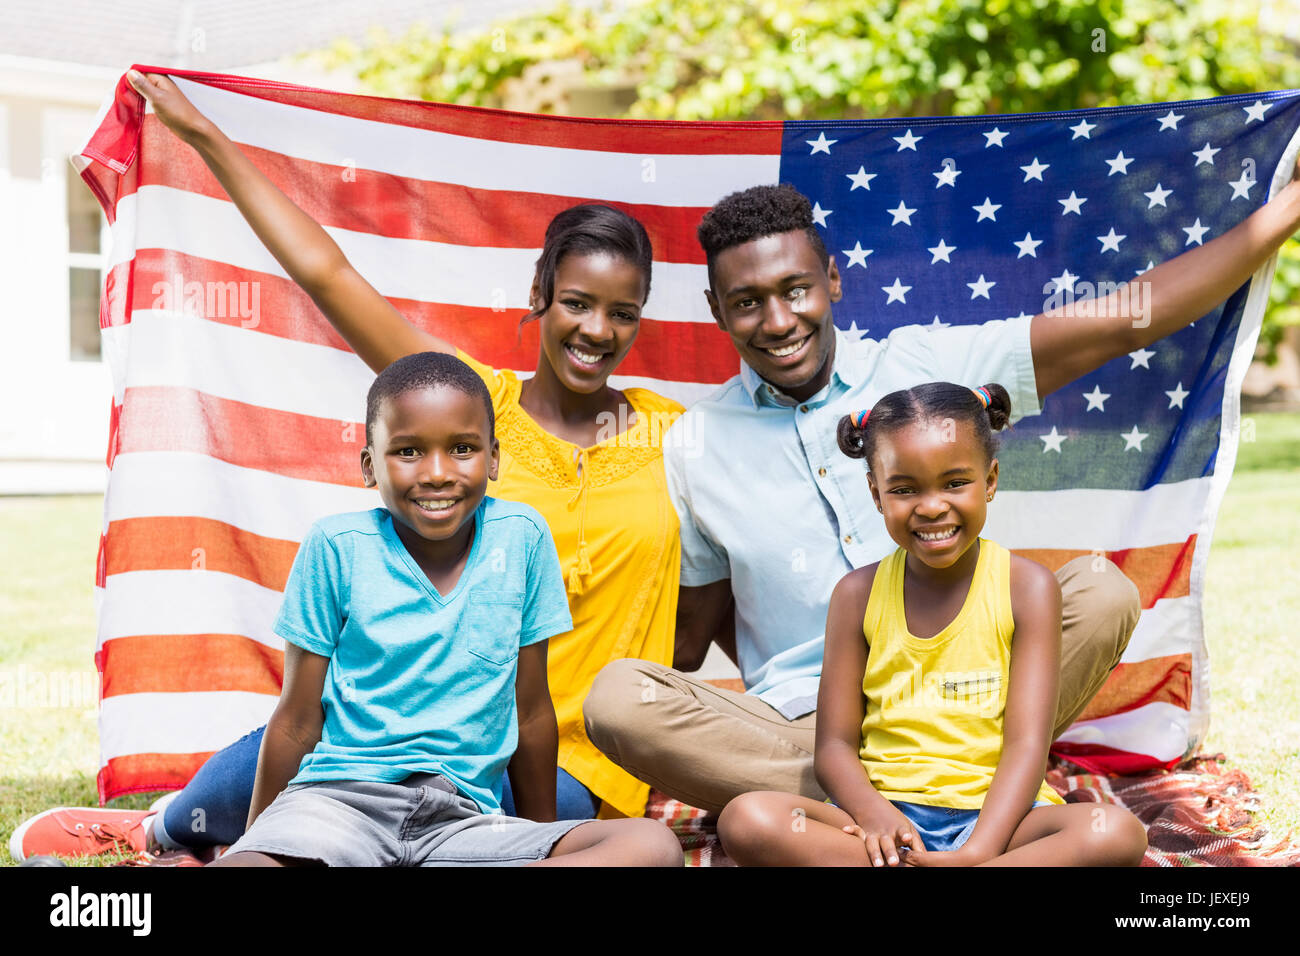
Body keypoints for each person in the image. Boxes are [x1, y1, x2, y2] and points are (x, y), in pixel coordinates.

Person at [8, 68, 686, 864]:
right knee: (326, 723)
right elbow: (326, 273)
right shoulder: (467, 407)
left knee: (586, 829)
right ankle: (163, 830)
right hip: (389, 738)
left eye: (622, 312)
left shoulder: (671, 438)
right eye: (576, 301)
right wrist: (205, 138)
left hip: (551, 767)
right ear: (539, 293)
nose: (596, 329)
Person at [585, 172, 1300, 815]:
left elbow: (1116, 321)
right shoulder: (694, 442)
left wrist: (1286, 211)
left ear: (832, 279)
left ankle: (867, 814)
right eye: (747, 302)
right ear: (716, 309)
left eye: (795, 289)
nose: (777, 321)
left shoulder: (932, 366)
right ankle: (923, 797)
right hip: (807, 733)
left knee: (1103, 591)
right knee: (622, 698)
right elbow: (692, 633)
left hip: (974, 702)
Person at [212, 350, 681, 866]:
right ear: (369, 465)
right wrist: (259, 840)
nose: (437, 474)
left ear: (495, 458)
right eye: (408, 452)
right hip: (341, 807)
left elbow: (530, 710)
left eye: (462, 448)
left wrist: (539, 844)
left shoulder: (522, 540)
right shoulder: (335, 547)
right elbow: (298, 719)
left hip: (462, 822)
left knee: (651, 847)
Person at [716, 383, 1147, 866]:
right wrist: (874, 813)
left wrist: (979, 849)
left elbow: (1027, 743)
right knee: (747, 818)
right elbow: (835, 745)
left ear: (990, 480)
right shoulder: (857, 596)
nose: (931, 506)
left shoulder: (1027, 588)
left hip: (1000, 822)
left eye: (955, 482)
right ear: (876, 495)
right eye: (903, 489)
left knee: (1113, 832)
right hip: (885, 826)